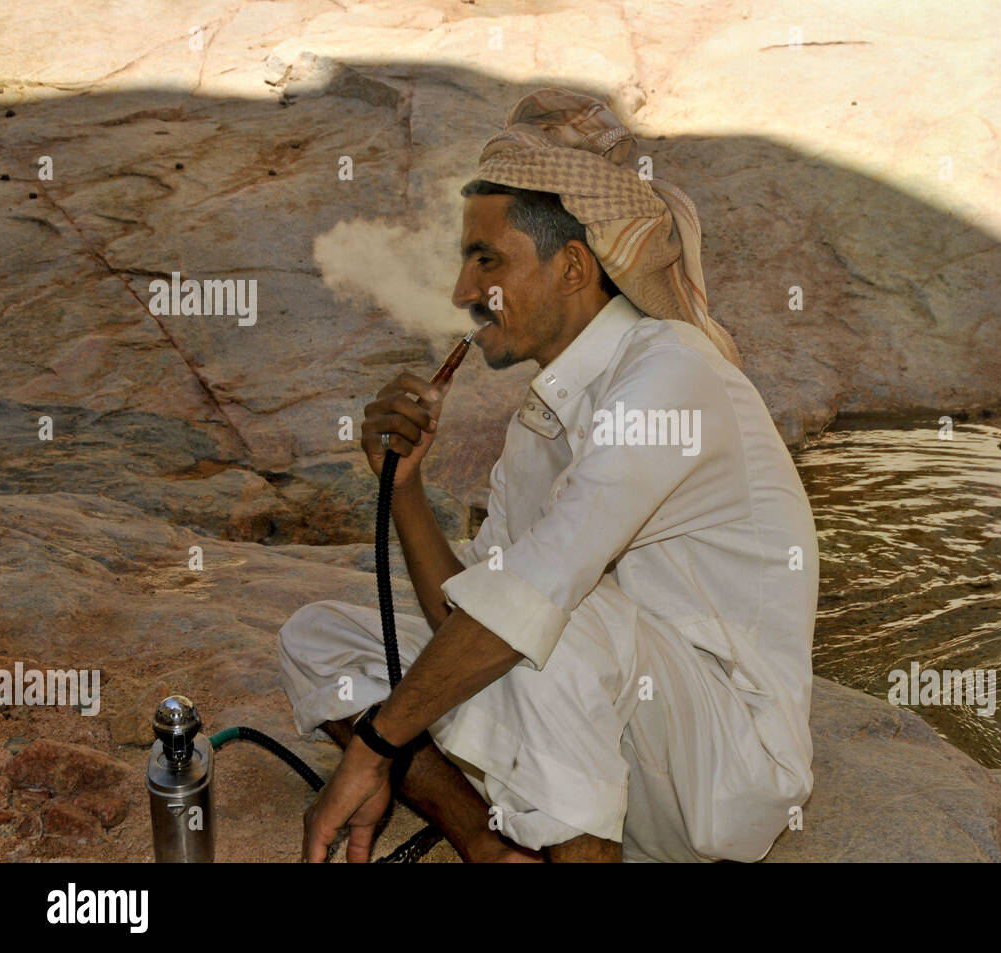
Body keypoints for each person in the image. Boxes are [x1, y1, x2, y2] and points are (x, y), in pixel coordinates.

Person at [278, 88, 819, 863]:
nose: (464, 292)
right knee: (320, 638)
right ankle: (488, 845)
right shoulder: (540, 421)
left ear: (571, 266)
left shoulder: (672, 370)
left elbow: (534, 599)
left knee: (552, 626)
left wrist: (376, 744)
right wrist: (405, 490)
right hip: (604, 737)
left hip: (720, 770)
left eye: (487, 261)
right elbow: (464, 614)